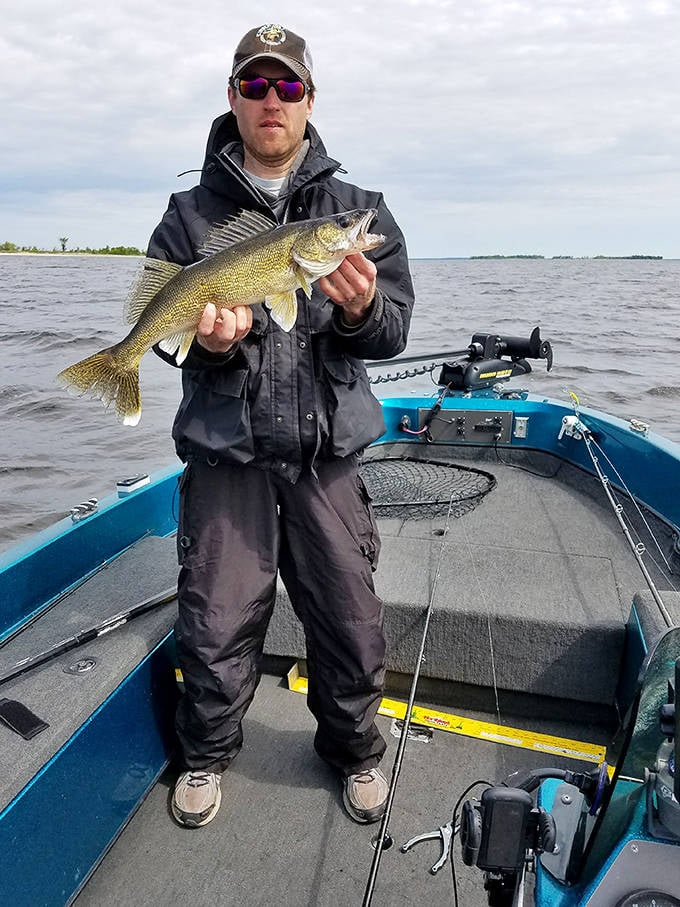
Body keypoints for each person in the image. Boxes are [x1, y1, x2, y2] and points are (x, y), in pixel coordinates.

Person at [148, 23, 415, 828]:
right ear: (233, 98)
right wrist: (209, 343)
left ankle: (355, 748)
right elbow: (170, 342)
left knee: (349, 617)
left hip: (324, 457)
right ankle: (204, 756)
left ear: (309, 100)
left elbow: (395, 325)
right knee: (217, 620)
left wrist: (365, 306)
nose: (273, 101)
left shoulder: (356, 213)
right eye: (256, 86)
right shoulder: (188, 216)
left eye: (288, 86)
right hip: (227, 458)